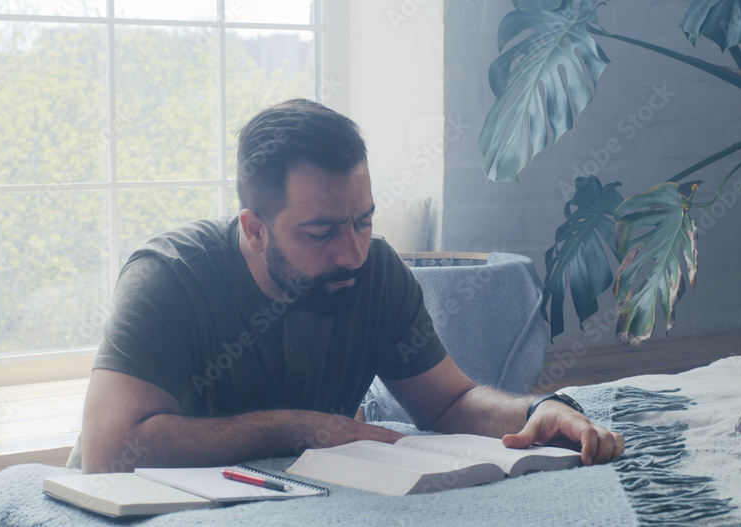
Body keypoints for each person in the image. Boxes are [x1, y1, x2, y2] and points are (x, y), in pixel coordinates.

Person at [80, 99, 624, 474]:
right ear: (253, 229)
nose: (352, 252)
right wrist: (303, 427)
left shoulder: (376, 270)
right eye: (320, 232)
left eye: (362, 220)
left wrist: (538, 412)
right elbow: (109, 451)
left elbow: (451, 402)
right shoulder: (167, 277)